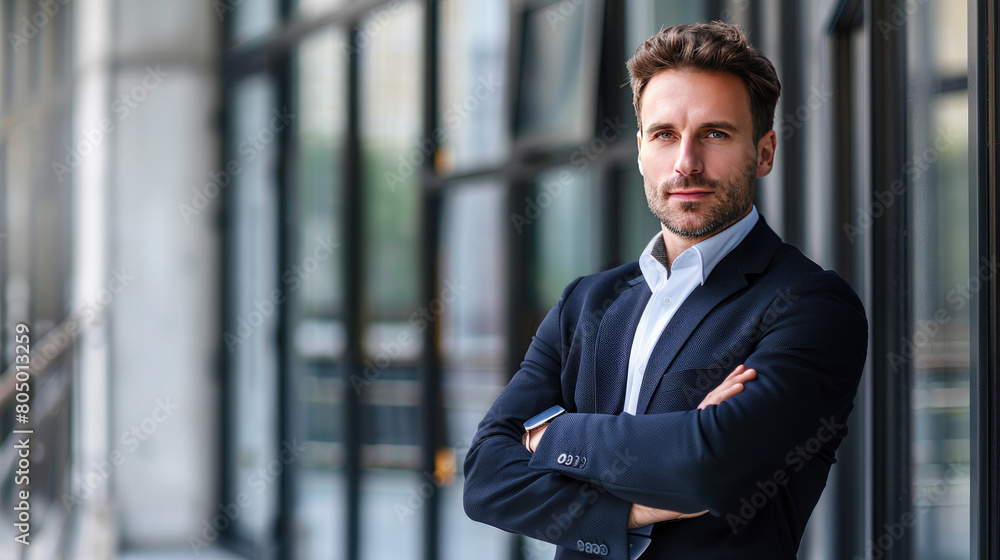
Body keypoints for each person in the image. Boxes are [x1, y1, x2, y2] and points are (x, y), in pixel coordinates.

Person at [462, 21, 868, 560]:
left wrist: (550, 436)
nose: (686, 163)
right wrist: (629, 509)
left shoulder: (812, 305)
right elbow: (486, 477)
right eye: (665, 134)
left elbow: (705, 465)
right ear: (640, 151)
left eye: (715, 134)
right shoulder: (586, 302)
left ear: (765, 152)